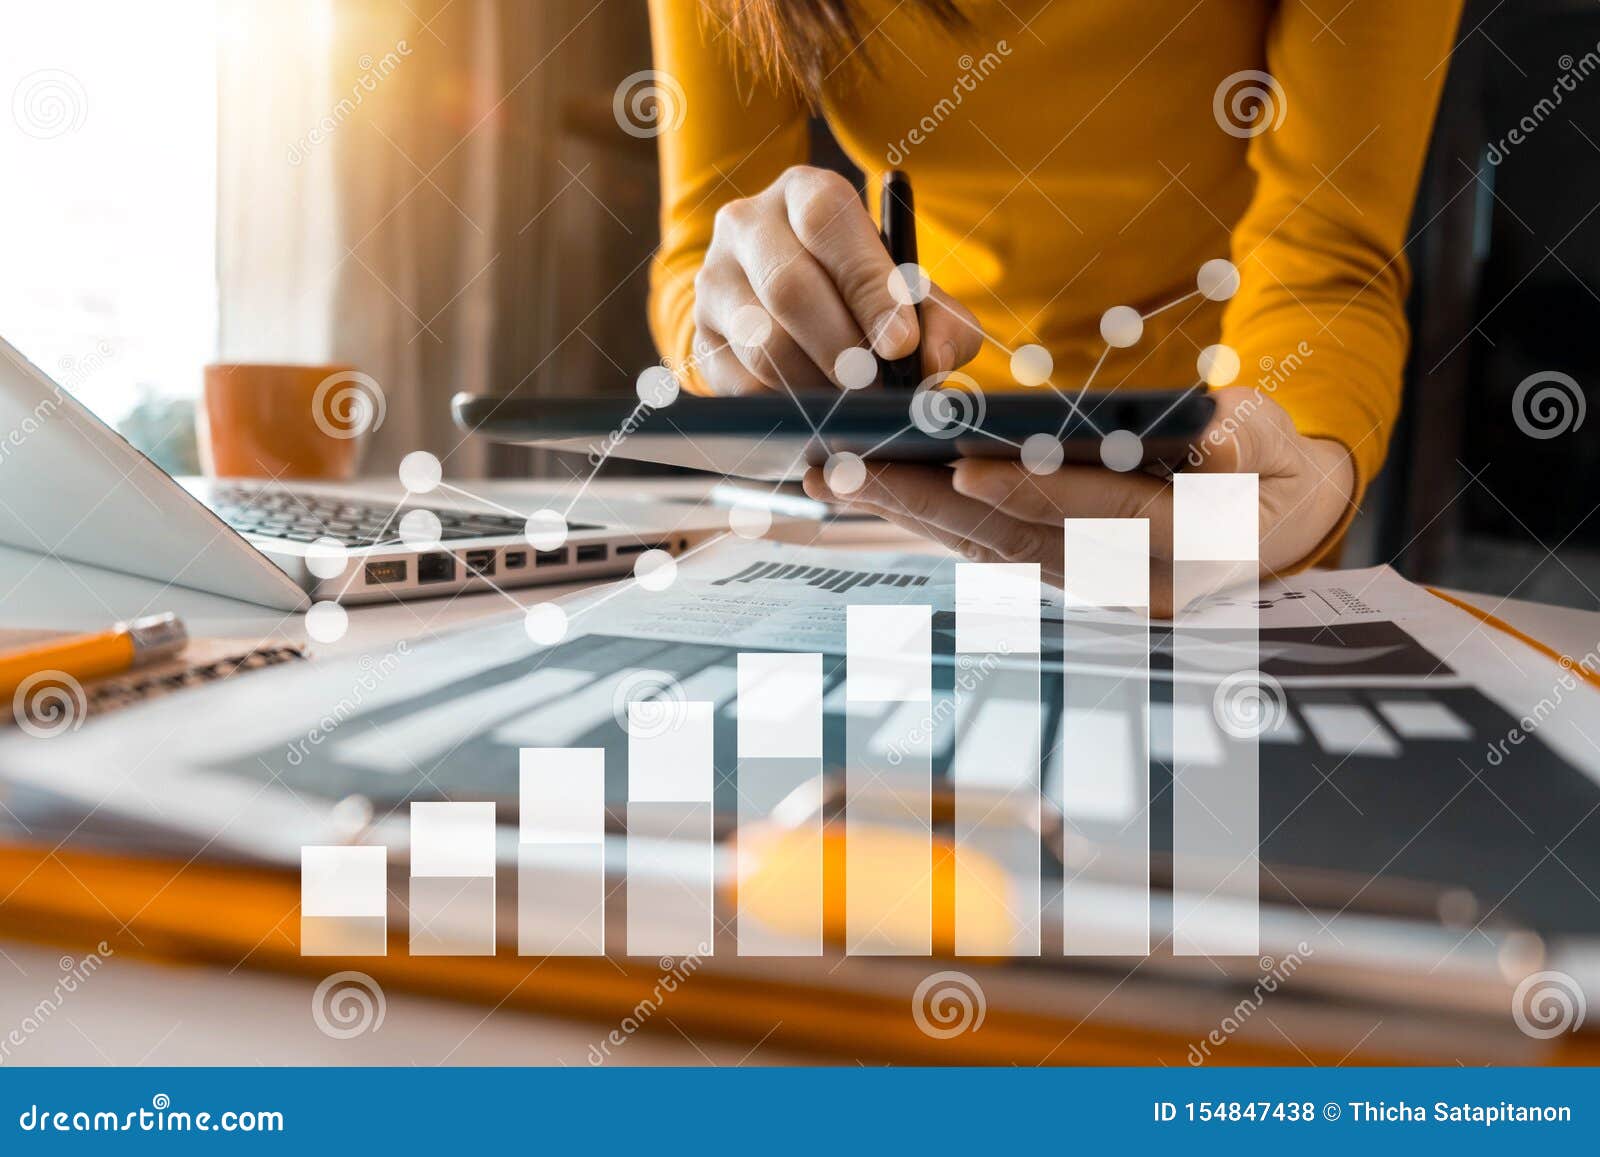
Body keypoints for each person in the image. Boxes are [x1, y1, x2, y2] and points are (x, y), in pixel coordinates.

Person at [646, 0, 1464, 612]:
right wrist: (744, 330)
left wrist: (1307, 483)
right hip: (912, 496)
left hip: (1211, 489)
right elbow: (702, 251)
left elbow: (1326, 247)